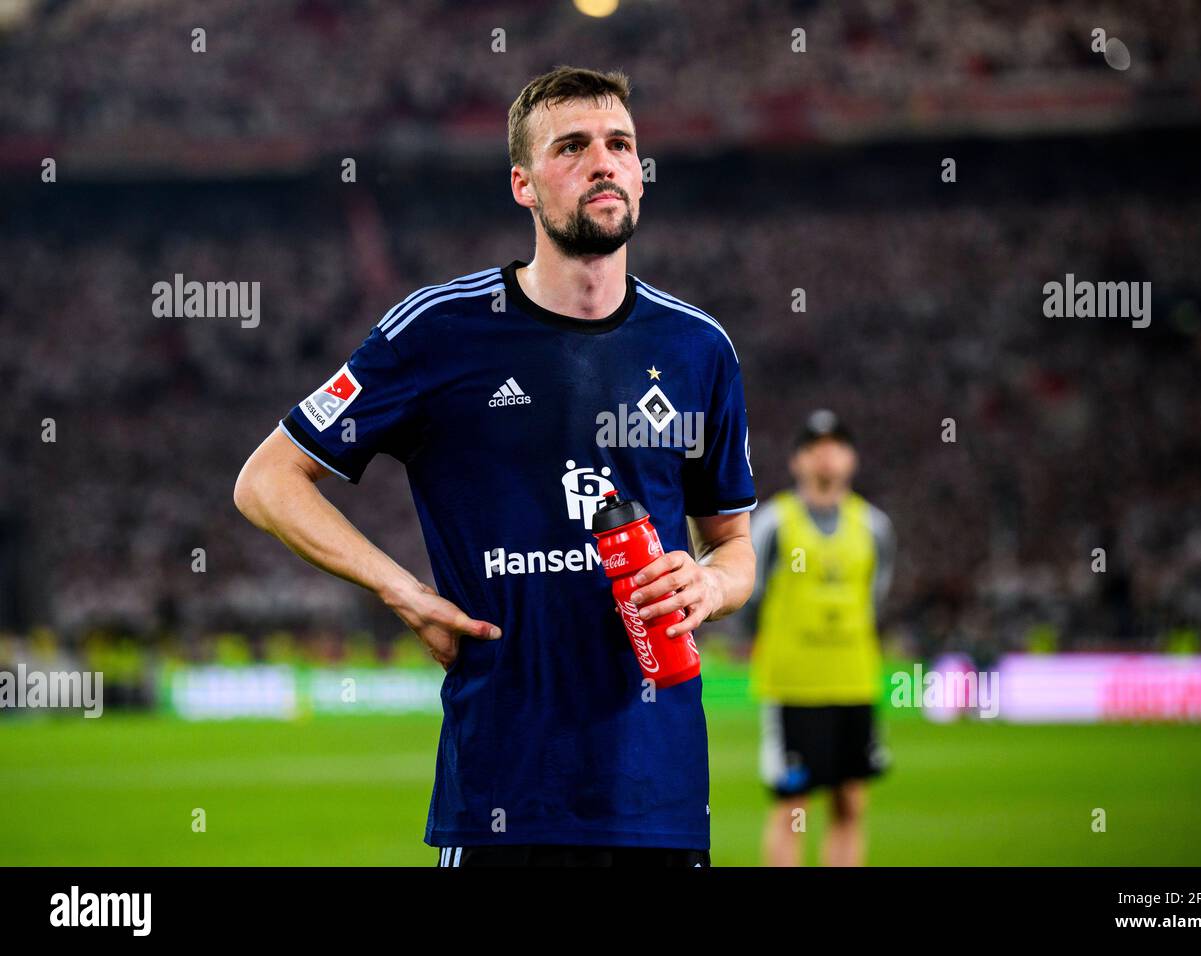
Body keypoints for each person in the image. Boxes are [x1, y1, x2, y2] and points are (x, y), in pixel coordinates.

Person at [233, 67, 757, 867]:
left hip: (659, 800)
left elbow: (736, 545)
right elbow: (266, 480)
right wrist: (399, 589)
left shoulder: (698, 348)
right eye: (572, 147)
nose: (605, 162)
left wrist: (711, 584)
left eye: (621, 144)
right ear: (522, 183)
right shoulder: (437, 332)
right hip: (501, 799)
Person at [739, 409, 895, 866]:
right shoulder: (772, 522)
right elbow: (752, 597)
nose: (826, 456)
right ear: (797, 461)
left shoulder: (875, 527)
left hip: (854, 682)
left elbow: (875, 598)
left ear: (853, 459)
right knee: (792, 807)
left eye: (836, 446)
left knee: (850, 805)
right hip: (793, 686)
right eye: (814, 447)